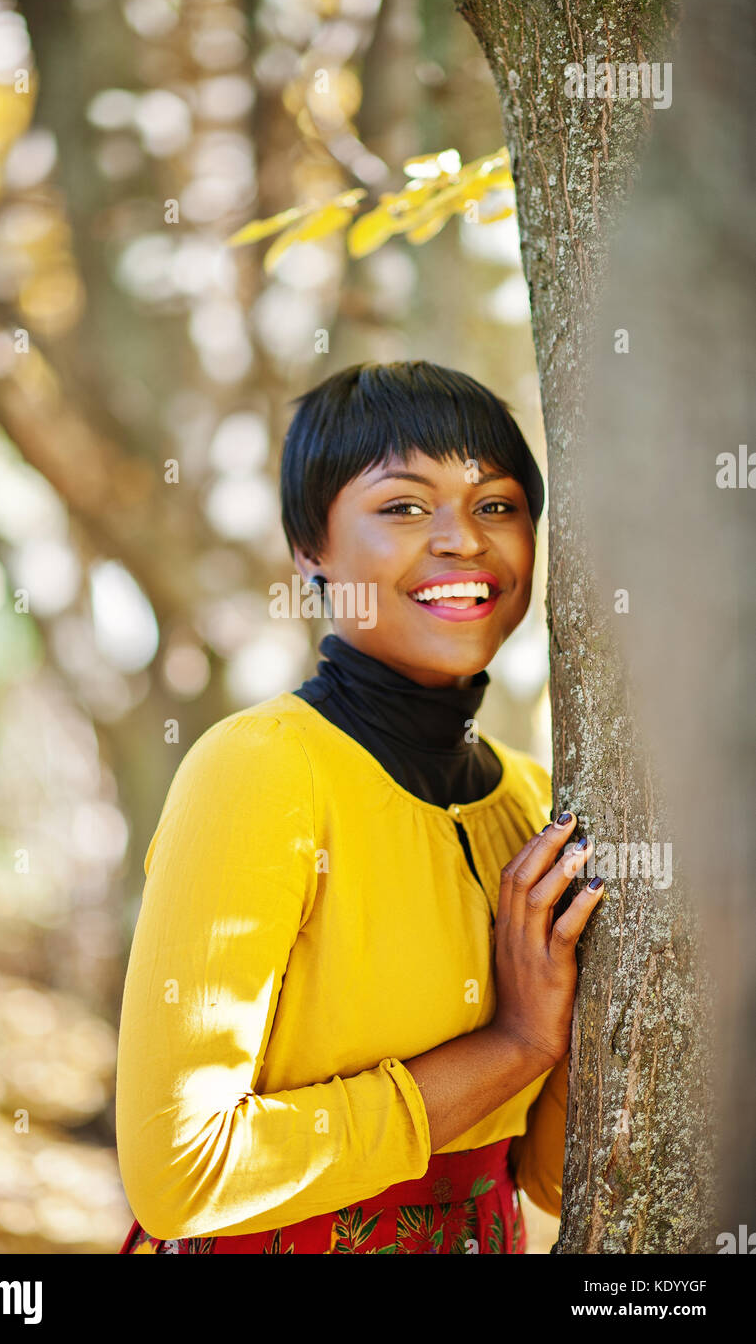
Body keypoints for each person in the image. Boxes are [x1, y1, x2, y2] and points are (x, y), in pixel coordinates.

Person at [115, 360, 604, 1255]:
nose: (462, 540)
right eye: (404, 507)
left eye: (496, 504)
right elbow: (180, 1172)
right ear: (311, 549)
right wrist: (514, 1044)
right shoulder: (259, 770)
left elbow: (546, 1177)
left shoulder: (539, 805)